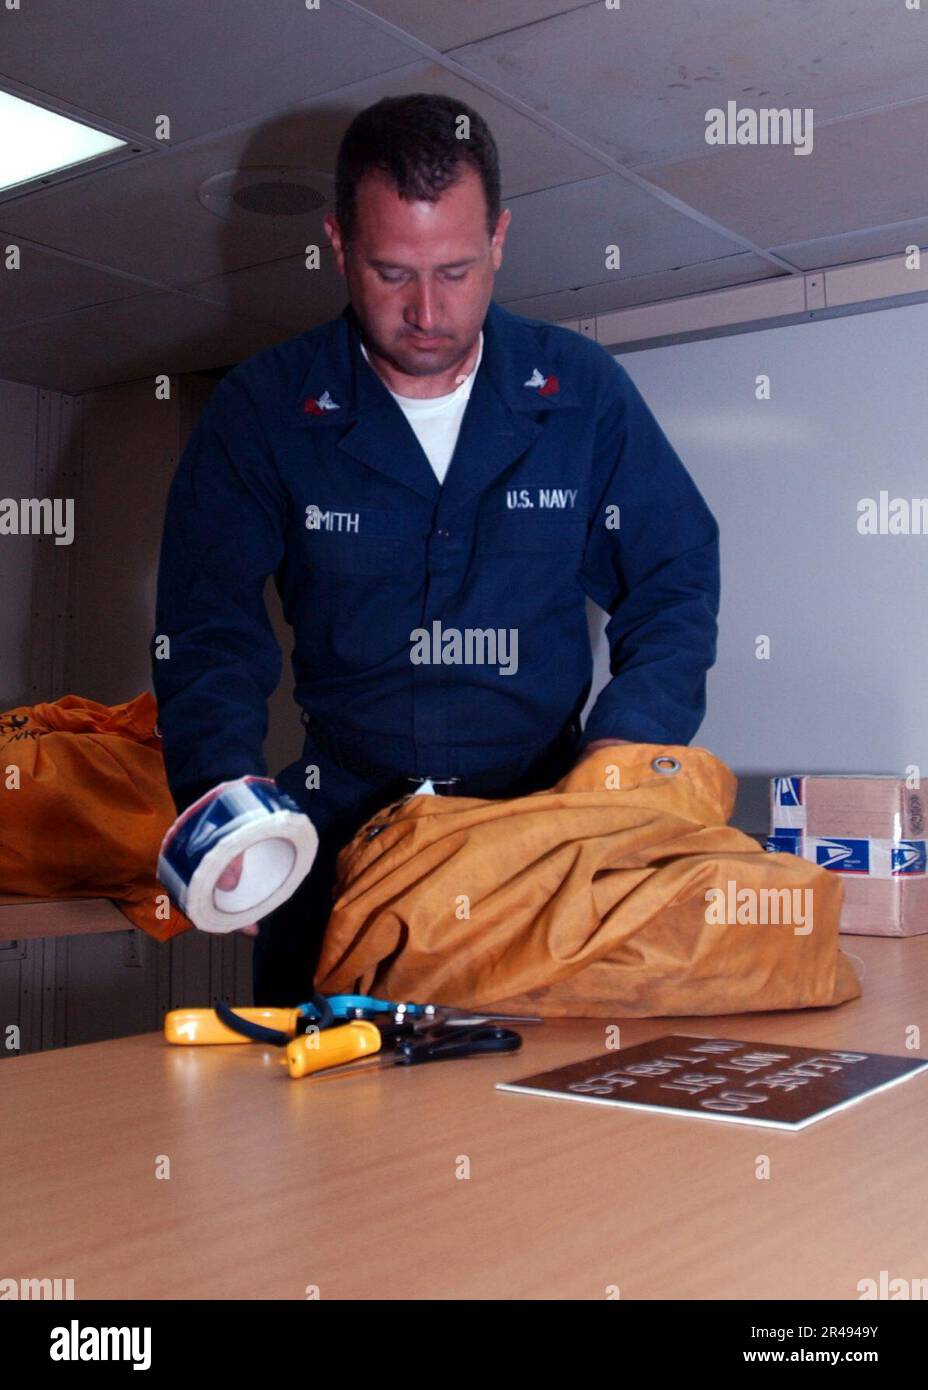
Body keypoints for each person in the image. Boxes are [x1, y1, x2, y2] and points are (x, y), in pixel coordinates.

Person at [151, 93, 720, 1005]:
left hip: (536, 848)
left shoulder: (584, 395)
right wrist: (224, 796)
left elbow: (675, 582)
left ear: (498, 239)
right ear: (339, 245)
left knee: (535, 1130)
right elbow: (207, 627)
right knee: (322, 1131)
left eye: (456, 270)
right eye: (390, 273)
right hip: (338, 846)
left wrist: (621, 768)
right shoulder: (262, 412)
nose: (426, 311)